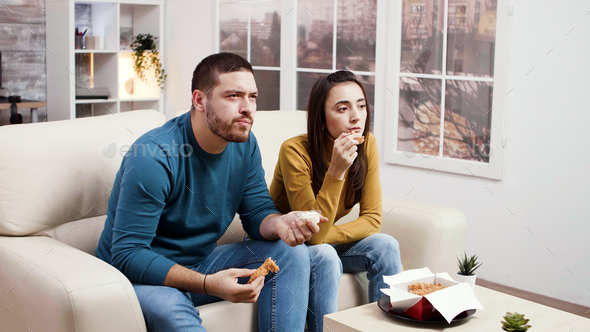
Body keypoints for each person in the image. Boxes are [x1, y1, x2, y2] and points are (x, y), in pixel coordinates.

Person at [96, 53, 327, 332]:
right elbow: (128, 254)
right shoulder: (153, 157)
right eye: (233, 96)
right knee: (173, 312)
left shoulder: (244, 143)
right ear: (199, 100)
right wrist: (207, 284)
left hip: (201, 261)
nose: (247, 108)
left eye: (252, 97)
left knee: (292, 253)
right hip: (141, 276)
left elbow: (255, 213)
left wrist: (279, 223)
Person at [269, 70, 402, 332]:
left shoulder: (367, 145)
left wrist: (326, 233)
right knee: (325, 254)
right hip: (284, 245)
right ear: (321, 118)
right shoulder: (294, 151)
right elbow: (312, 237)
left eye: (361, 106)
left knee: (386, 245)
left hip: (318, 239)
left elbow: (372, 219)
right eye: (343, 108)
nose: (356, 116)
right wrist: (336, 172)